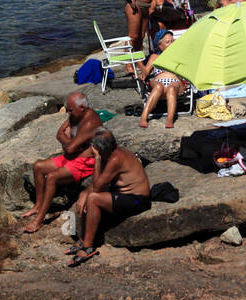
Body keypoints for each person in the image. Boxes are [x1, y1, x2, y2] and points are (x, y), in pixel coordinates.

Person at [20, 93, 102, 233]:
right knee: (38, 166)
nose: (68, 113)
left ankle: (39, 220)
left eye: (70, 110)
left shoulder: (90, 122)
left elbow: (67, 144)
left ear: (82, 107)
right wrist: (69, 144)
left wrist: (67, 143)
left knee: (52, 177)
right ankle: (38, 205)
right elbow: (59, 134)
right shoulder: (75, 114)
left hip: (85, 161)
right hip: (73, 156)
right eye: (67, 109)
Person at [68, 128, 151, 265]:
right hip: (124, 195)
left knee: (93, 199)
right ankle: (83, 240)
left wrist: (97, 158)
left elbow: (98, 186)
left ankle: (88, 247)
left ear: (99, 149)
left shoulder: (115, 159)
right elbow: (99, 182)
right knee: (88, 196)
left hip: (137, 200)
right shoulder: (111, 153)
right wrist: (84, 193)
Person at [138, 31, 188, 129]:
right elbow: (146, 72)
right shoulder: (155, 57)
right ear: (160, 45)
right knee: (158, 86)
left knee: (172, 88)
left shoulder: (179, 56)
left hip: (176, 83)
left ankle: (170, 120)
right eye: (168, 42)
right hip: (158, 82)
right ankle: (143, 118)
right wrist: (141, 69)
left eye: (173, 41)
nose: (171, 44)